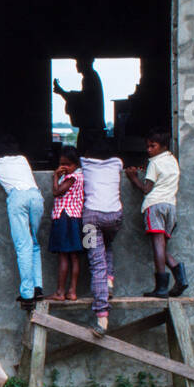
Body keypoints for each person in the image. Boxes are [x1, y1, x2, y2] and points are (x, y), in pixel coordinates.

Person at [124, 131, 187, 298]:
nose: (149, 149)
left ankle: (161, 288)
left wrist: (133, 178)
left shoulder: (154, 163)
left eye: (153, 146)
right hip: (170, 206)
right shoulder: (172, 160)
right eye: (148, 146)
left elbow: (146, 189)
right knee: (161, 246)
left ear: (163, 146)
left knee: (157, 246)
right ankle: (180, 278)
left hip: (155, 205)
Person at [0, 137, 43, 308]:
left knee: (23, 246)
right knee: (34, 243)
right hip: (36, 197)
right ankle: (38, 287)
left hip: (18, 198)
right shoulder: (22, 160)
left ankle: (27, 295)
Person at [80, 135, 125, 333]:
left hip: (90, 219)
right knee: (108, 243)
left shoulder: (84, 163)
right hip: (114, 217)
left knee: (95, 263)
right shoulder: (117, 163)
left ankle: (101, 319)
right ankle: (109, 280)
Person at [47, 146, 85, 302]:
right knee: (74, 257)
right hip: (75, 218)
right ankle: (72, 291)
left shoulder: (73, 177)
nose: (64, 168)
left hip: (65, 218)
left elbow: (56, 192)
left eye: (67, 164)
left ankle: (60, 292)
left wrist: (55, 177)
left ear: (76, 164)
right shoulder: (80, 176)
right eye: (61, 164)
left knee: (64, 256)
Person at [53, 54, 105, 156]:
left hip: (91, 131)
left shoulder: (90, 78)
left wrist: (62, 92)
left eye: (78, 62)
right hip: (92, 130)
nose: (77, 65)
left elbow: (83, 100)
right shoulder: (91, 77)